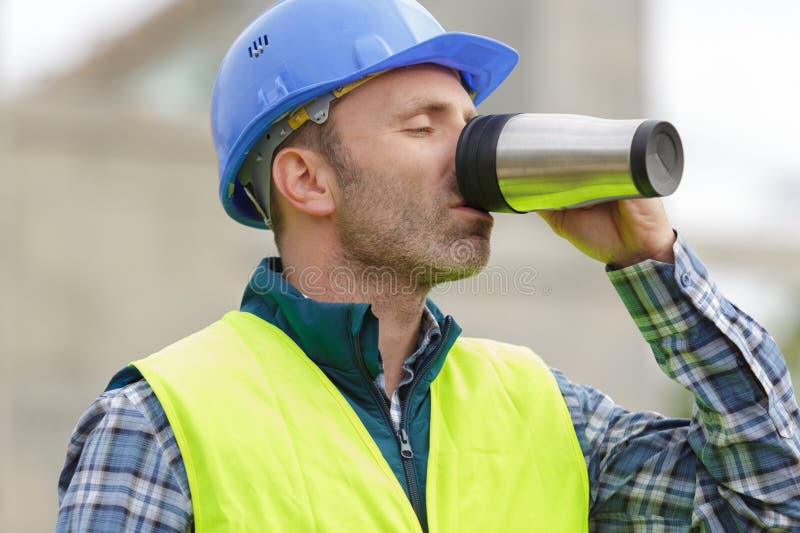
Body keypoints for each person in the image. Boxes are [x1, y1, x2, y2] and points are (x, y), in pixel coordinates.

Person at [56, 0, 800, 531]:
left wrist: (653, 261)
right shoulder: (159, 426)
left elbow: (769, 501)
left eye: (470, 128)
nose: (469, 156)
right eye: (423, 126)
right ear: (307, 180)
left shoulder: (545, 411)